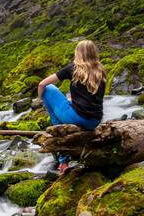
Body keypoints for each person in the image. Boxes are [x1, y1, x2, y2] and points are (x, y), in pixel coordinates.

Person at [37, 39, 106, 174]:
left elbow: (42, 84)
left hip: (78, 118)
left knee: (49, 89)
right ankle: (68, 154)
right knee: (67, 100)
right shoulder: (101, 70)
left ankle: (63, 159)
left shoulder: (73, 68)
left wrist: (41, 99)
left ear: (78, 53)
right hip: (95, 120)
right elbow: (93, 96)